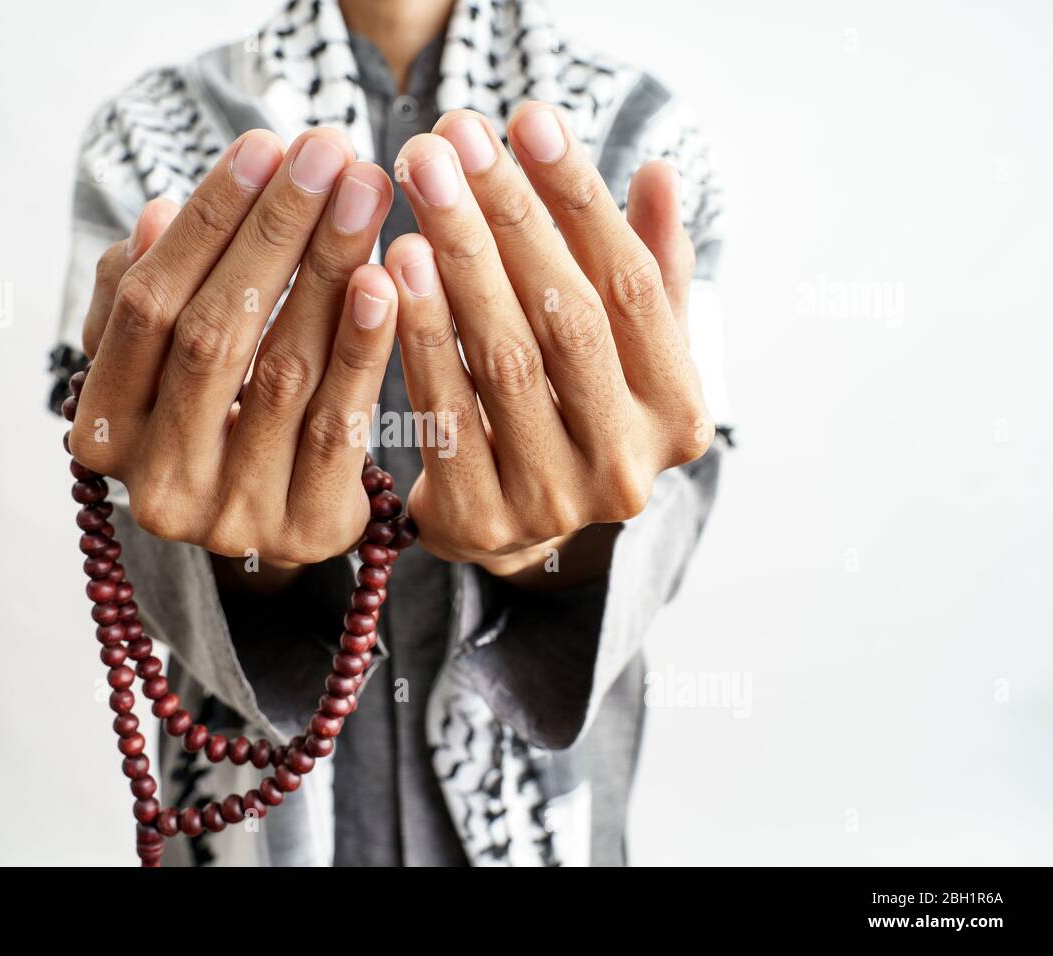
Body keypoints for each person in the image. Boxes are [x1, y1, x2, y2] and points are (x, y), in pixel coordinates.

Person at [49, 0, 729, 866]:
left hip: (543, 818)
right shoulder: (142, 133)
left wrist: (550, 554)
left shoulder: (643, 127)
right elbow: (108, 499)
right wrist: (259, 569)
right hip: (249, 811)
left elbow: (681, 492)